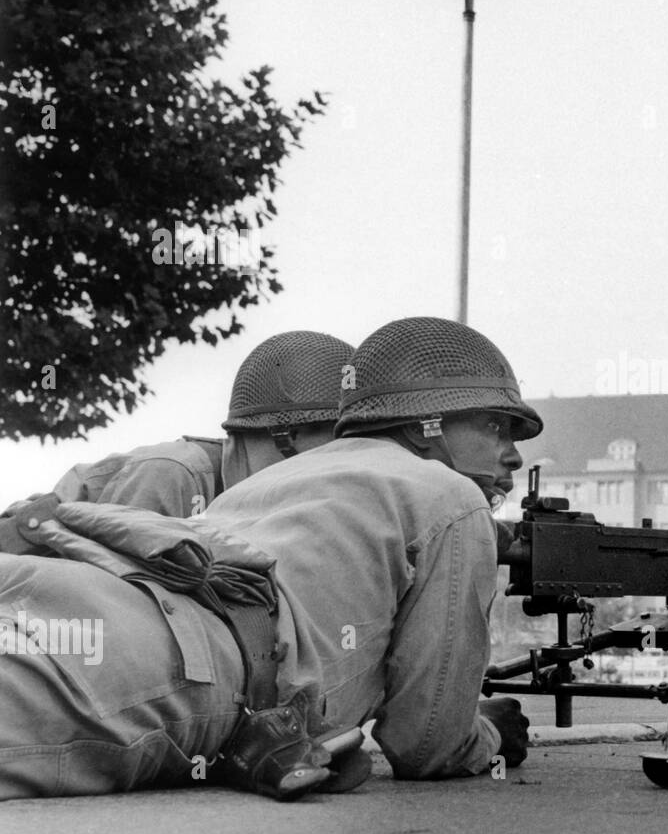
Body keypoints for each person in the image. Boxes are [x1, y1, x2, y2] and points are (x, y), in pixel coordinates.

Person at [0, 317, 533, 800]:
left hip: (77, 590)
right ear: (426, 426)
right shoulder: (449, 498)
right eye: (495, 425)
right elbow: (428, 745)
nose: (512, 452)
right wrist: (484, 733)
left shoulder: (277, 475)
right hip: (170, 654)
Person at [41, 330, 355, 518]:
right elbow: (112, 602)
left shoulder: (251, 497)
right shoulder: (173, 476)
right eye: (340, 444)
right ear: (288, 434)